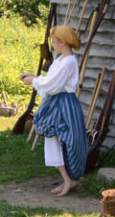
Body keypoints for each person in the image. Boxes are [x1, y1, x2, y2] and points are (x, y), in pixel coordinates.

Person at [20, 25, 88, 196]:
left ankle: (70, 179)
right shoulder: (59, 60)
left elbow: (53, 85)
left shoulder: (69, 61)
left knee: (70, 142)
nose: (53, 45)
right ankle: (67, 179)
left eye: (54, 42)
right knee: (52, 139)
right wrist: (35, 78)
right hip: (55, 102)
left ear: (62, 42)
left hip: (65, 104)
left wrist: (34, 82)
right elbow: (51, 81)